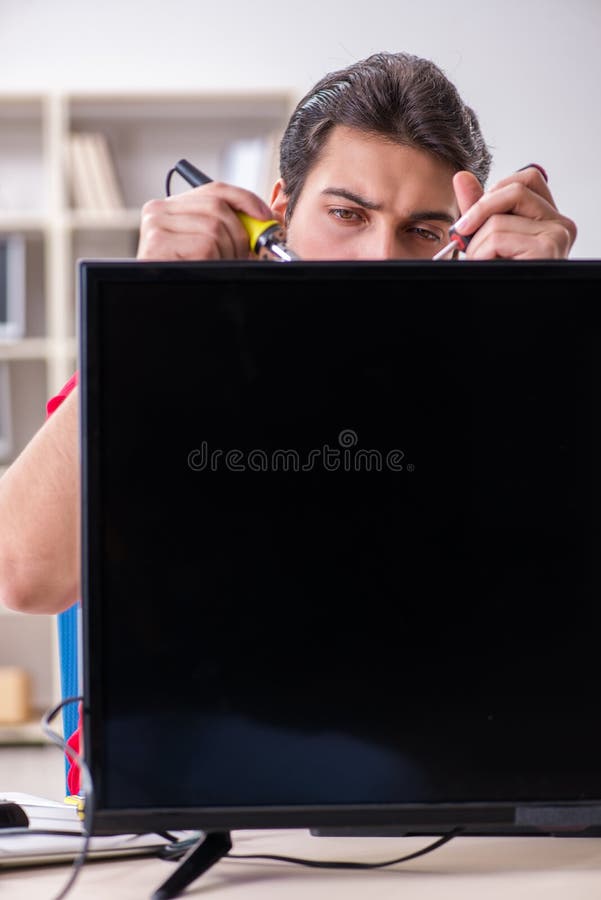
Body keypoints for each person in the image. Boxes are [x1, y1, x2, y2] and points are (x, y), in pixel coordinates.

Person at [0, 51, 577, 791]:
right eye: (346, 214)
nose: (377, 259)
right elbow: (23, 577)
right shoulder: (163, 353)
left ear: (462, 238)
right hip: (190, 811)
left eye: (423, 231)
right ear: (276, 211)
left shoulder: (493, 379)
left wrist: (552, 328)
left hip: (452, 800)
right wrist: (146, 318)